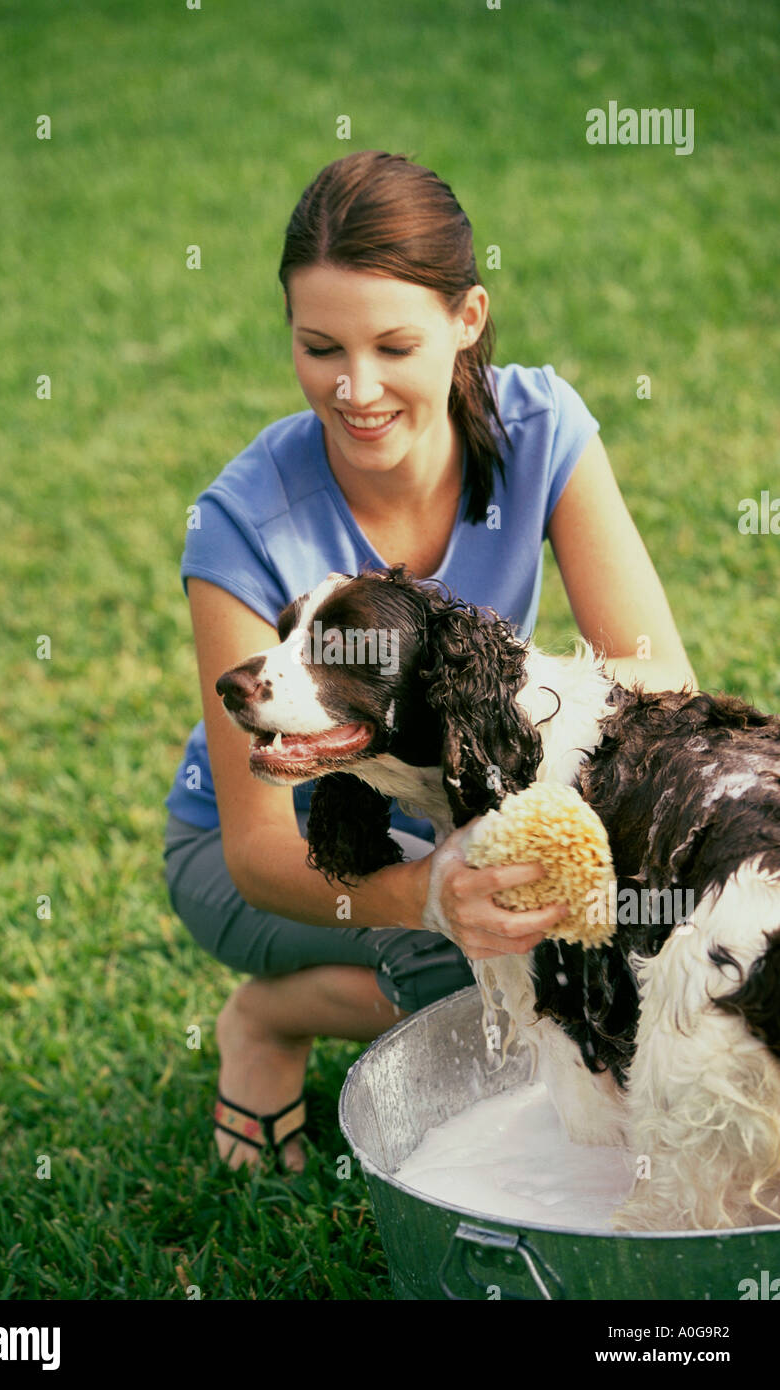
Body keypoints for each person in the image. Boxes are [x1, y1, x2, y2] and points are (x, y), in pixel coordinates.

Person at [162, 150, 697, 1174]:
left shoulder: (540, 431)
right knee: (502, 985)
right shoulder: (239, 523)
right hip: (284, 855)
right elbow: (258, 850)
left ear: (468, 318)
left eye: (393, 345)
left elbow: (651, 683)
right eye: (319, 347)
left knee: (635, 948)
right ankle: (271, 1015)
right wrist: (436, 895)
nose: (354, 390)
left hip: (480, 808)